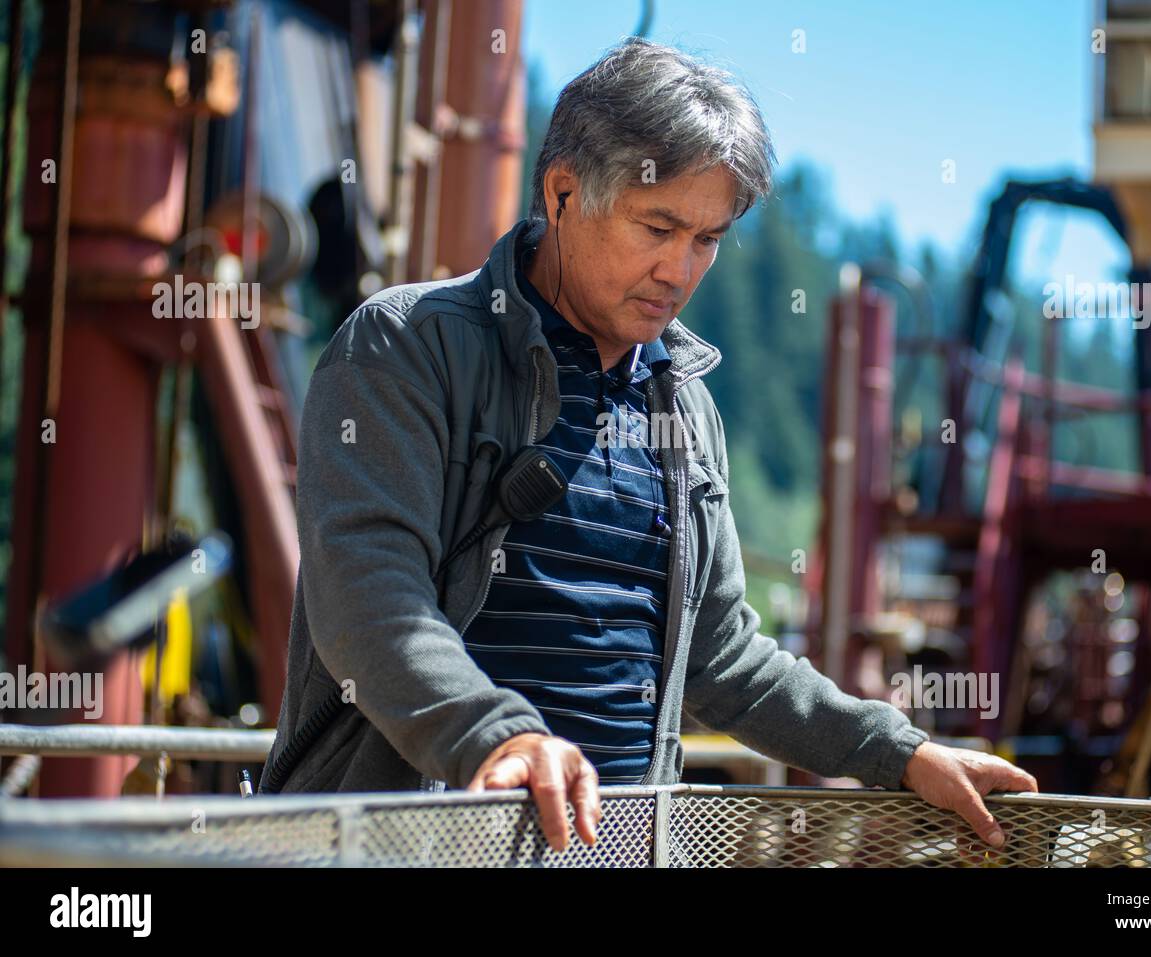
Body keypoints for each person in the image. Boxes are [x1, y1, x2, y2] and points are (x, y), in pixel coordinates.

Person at [262, 36, 1036, 852]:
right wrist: (499, 737)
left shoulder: (686, 407)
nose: (680, 268)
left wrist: (899, 751)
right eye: (658, 226)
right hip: (404, 848)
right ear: (562, 193)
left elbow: (725, 658)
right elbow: (370, 606)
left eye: (706, 238)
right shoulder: (405, 347)